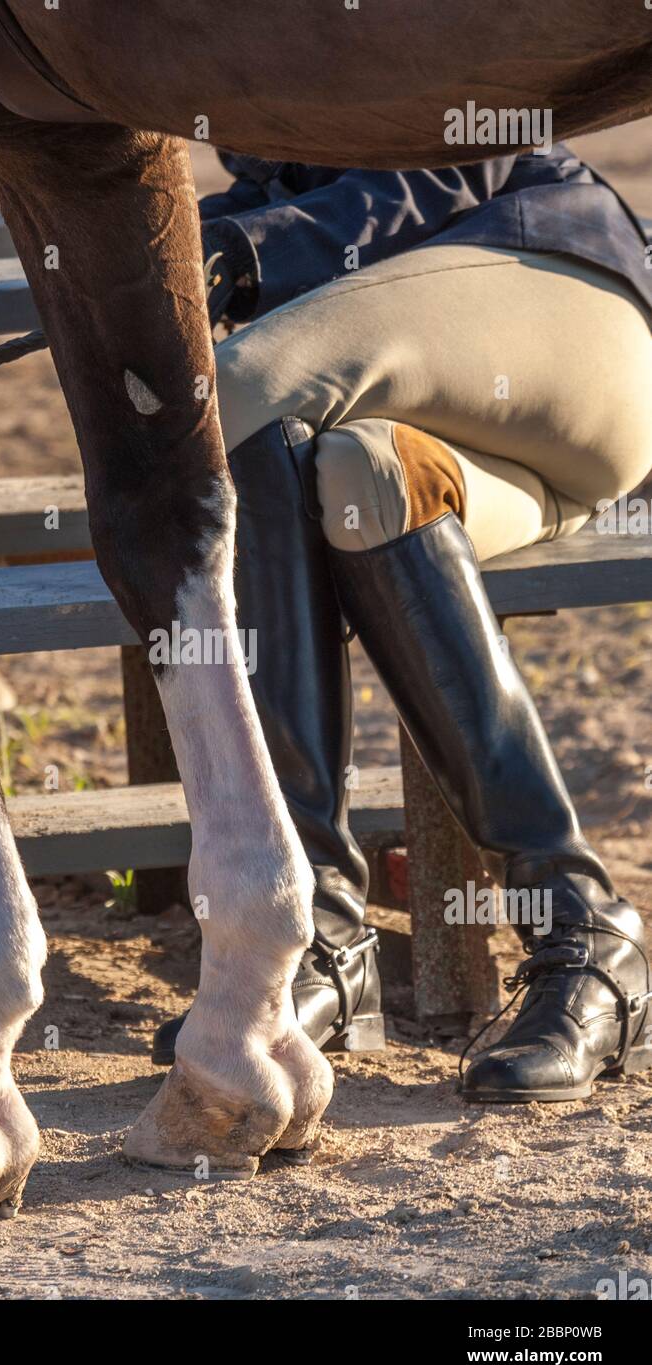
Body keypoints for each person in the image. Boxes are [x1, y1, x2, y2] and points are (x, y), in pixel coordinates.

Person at [153, 146, 652, 1103]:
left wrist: (249, 251)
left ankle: (316, 920)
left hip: (561, 297)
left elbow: (464, 154)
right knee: (360, 481)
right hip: (486, 444)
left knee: (241, 389)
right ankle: (360, 935)